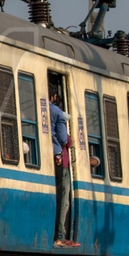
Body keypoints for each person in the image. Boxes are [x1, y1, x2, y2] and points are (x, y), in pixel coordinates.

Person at [50, 91, 78, 248]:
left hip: (51, 159)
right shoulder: (57, 113)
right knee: (63, 200)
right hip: (61, 161)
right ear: (53, 96)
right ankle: (60, 236)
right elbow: (63, 139)